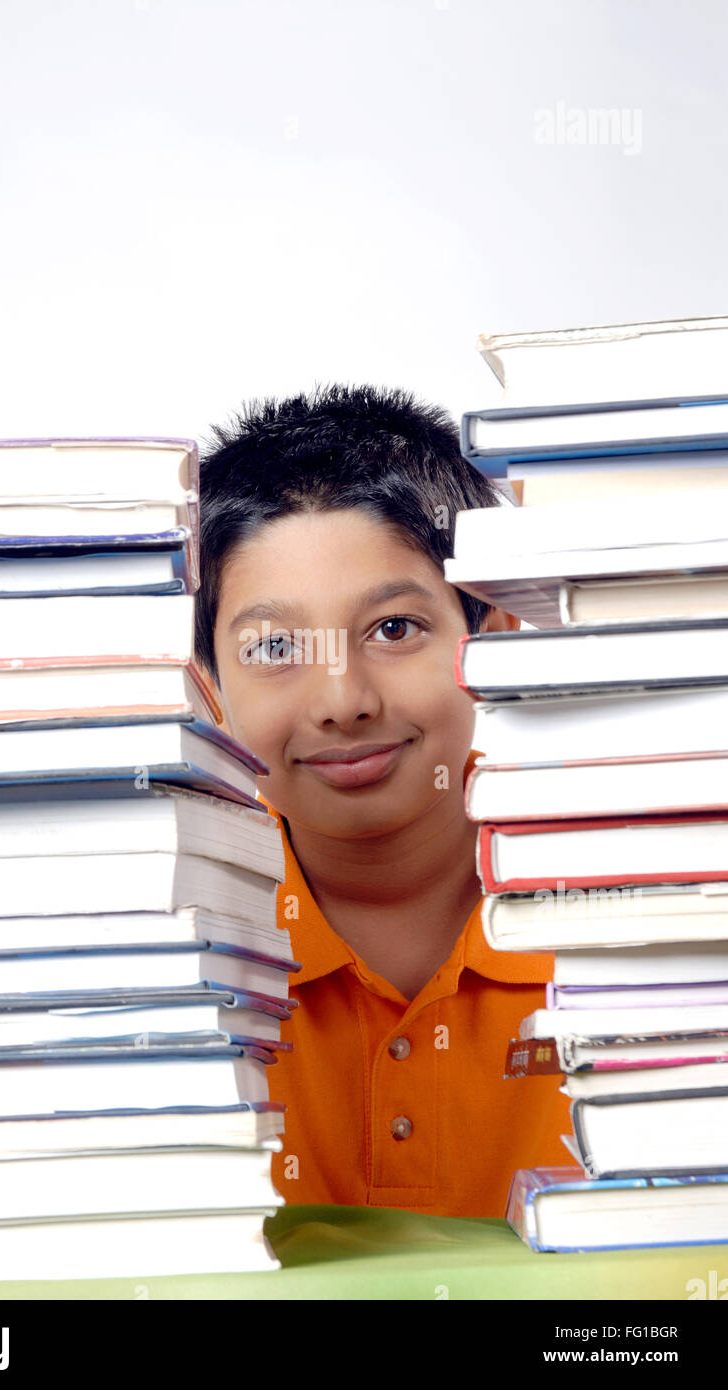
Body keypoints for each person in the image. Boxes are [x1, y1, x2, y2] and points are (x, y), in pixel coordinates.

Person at [195, 383, 571, 1216]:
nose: (343, 699)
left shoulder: (633, 924)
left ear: (495, 637)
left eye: (394, 628)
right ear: (209, 689)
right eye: (276, 646)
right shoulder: (167, 953)